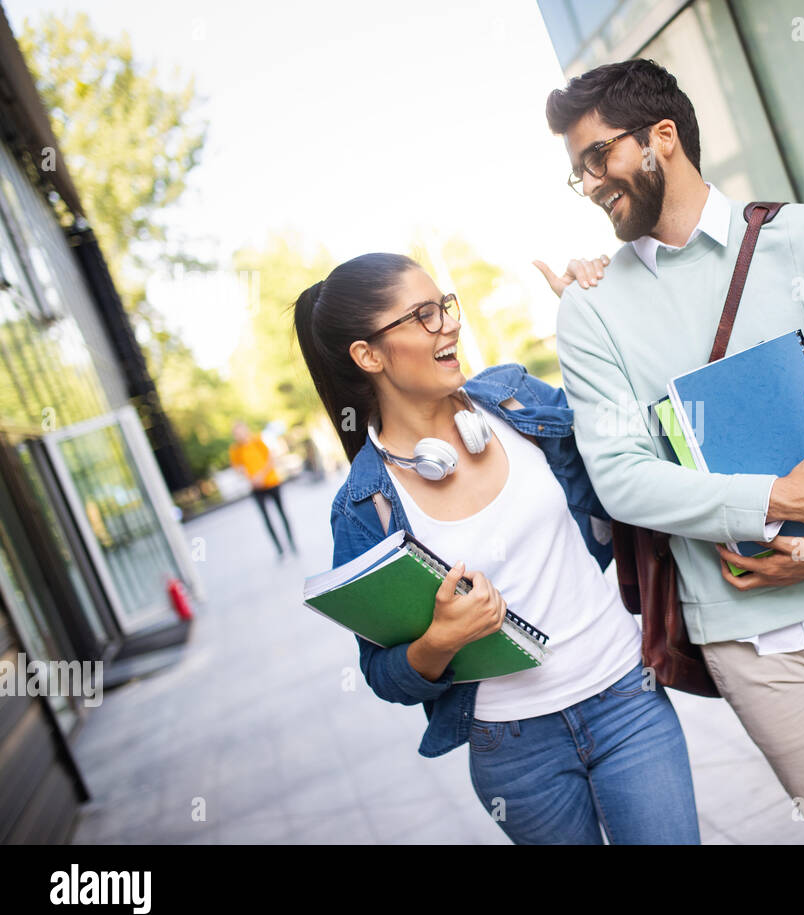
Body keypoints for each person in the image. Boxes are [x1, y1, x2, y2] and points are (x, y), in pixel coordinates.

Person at [539, 59, 804, 845]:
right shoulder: (592, 314)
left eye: (598, 157)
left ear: (663, 138)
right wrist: (781, 503)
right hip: (748, 637)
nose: (589, 183)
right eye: (576, 171)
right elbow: (621, 478)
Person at [292, 252, 699, 845]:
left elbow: (632, 437)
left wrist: (596, 316)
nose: (449, 324)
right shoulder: (364, 505)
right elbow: (383, 674)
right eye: (423, 316)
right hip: (513, 750)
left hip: (625, 697)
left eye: (445, 307)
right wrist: (441, 640)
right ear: (369, 355)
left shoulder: (514, 401)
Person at [230, 421, 297, 557]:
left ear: (246, 429)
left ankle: (292, 543)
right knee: (266, 518)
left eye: (240, 432)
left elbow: (271, 459)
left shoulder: (259, 439)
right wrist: (250, 477)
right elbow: (237, 468)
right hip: (255, 488)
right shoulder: (235, 450)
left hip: (271, 482)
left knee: (282, 513)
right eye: (236, 434)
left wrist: (261, 476)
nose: (239, 436)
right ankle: (279, 549)